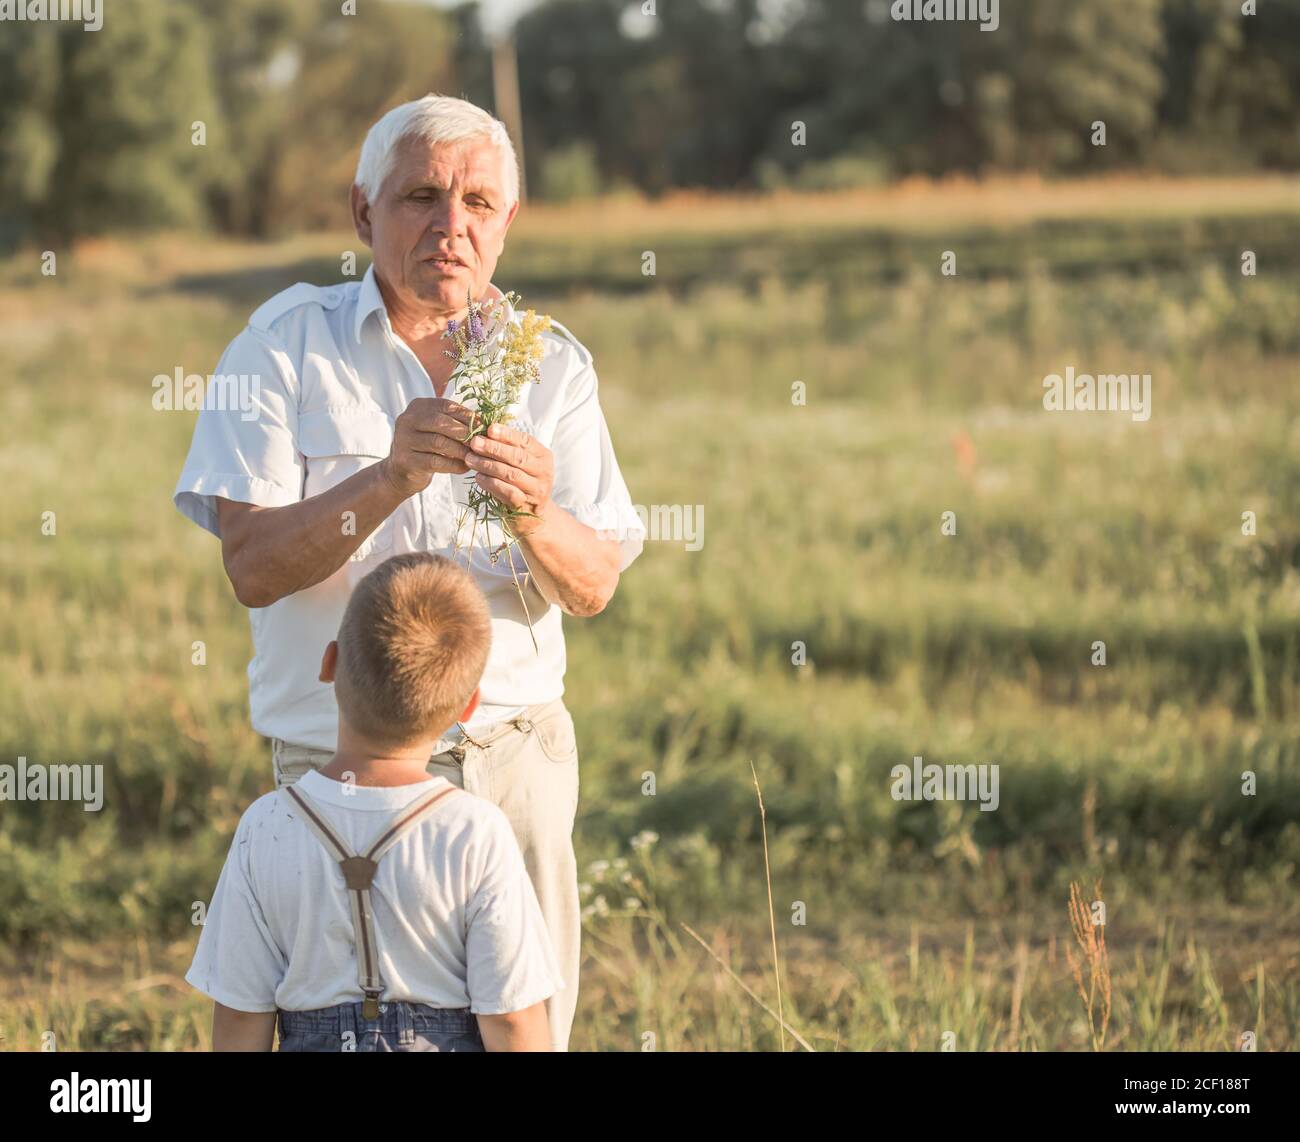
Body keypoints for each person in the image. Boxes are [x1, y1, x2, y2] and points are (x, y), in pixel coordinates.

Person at [173, 94, 645, 1050]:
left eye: (478, 203)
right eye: (421, 196)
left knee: (523, 1029)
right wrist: (387, 479)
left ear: (508, 223)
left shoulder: (549, 366)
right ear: (362, 214)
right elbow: (253, 567)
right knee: (336, 1026)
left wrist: (534, 513)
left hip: (510, 754)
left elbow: (594, 584)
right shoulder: (280, 347)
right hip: (333, 769)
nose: (451, 225)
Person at [186, 553, 564, 1052]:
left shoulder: (267, 825)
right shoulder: (475, 831)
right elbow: (513, 1021)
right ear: (470, 704)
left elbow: (239, 1014)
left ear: (329, 664)